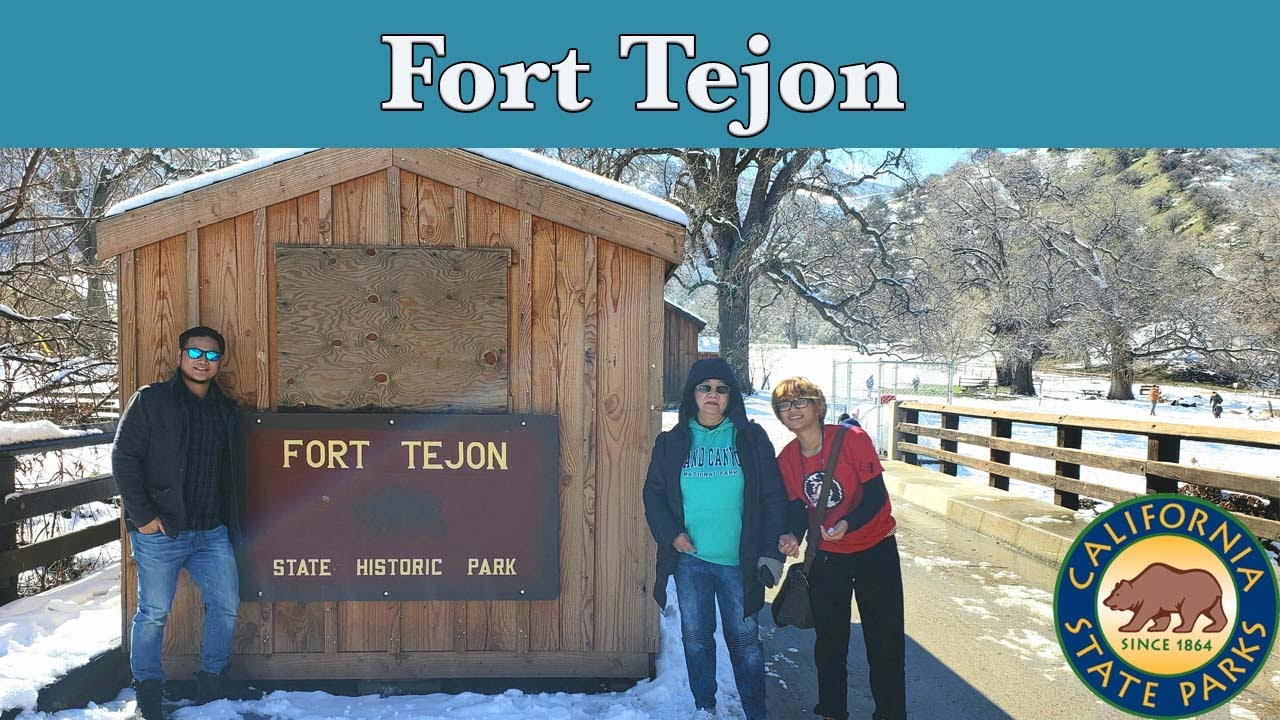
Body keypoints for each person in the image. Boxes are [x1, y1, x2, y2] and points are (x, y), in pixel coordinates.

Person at [643, 357, 787, 720]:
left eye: (721, 389)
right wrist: (671, 535)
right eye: (705, 388)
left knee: (745, 642)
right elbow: (653, 494)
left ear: (730, 397)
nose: (713, 395)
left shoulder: (751, 439)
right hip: (691, 560)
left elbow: (773, 495)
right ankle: (704, 707)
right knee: (696, 637)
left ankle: (755, 711)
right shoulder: (672, 443)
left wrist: (771, 552)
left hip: (740, 561)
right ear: (693, 394)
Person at [112, 327, 245, 720]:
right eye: (195, 353)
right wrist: (144, 517)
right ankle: (149, 689)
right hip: (160, 531)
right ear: (180, 355)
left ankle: (213, 680)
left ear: (220, 362)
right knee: (153, 612)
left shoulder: (226, 410)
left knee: (227, 606)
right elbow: (124, 458)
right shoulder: (151, 401)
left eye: (212, 356)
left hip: (210, 531)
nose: (203, 362)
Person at [773, 376, 906, 720]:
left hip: (875, 550)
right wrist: (791, 536)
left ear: (818, 406)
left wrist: (847, 525)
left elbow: (877, 497)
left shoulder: (851, 440)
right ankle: (833, 712)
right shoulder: (787, 459)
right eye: (785, 405)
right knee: (830, 644)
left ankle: (891, 714)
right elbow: (796, 510)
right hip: (828, 559)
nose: (794, 409)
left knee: (885, 642)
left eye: (801, 401)